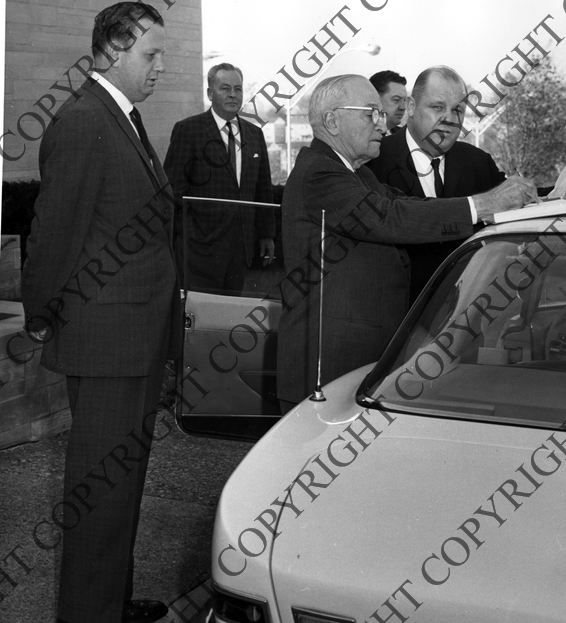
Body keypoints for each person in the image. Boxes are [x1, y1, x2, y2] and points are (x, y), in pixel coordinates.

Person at [21, 4, 180, 622]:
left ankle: (107, 601)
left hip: (131, 339)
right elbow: (53, 236)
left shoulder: (121, 116)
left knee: (121, 490)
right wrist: (41, 317)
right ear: (113, 49)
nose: (162, 66)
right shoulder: (84, 119)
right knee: (99, 496)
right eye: (151, 54)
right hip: (107, 343)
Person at [277, 74, 539, 413]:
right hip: (326, 366)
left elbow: (412, 205)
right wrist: (483, 205)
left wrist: (527, 202)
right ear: (332, 121)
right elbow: (390, 217)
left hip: (354, 360)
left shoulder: (358, 174)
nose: (382, 126)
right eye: (370, 113)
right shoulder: (320, 173)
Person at [367, 65, 553, 301]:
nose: (449, 119)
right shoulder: (373, 162)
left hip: (465, 321)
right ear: (411, 107)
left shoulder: (477, 162)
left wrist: (564, 192)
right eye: (437, 107)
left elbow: (517, 200)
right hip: (396, 321)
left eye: (458, 110)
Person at [164, 63, 276, 295]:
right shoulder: (189, 130)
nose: (233, 94)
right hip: (200, 252)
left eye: (238, 89)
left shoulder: (255, 134)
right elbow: (173, 192)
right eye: (225, 88)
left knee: (228, 319)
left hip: (241, 249)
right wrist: (187, 239)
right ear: (210, 93)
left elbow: (262, 189)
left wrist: (266, 234)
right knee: (199, 321)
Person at [369, 69, 407, 134]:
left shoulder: (403, 136)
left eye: (404, 100)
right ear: (375, 98)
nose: (403, 107)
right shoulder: (360, 136)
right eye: (396, 100)